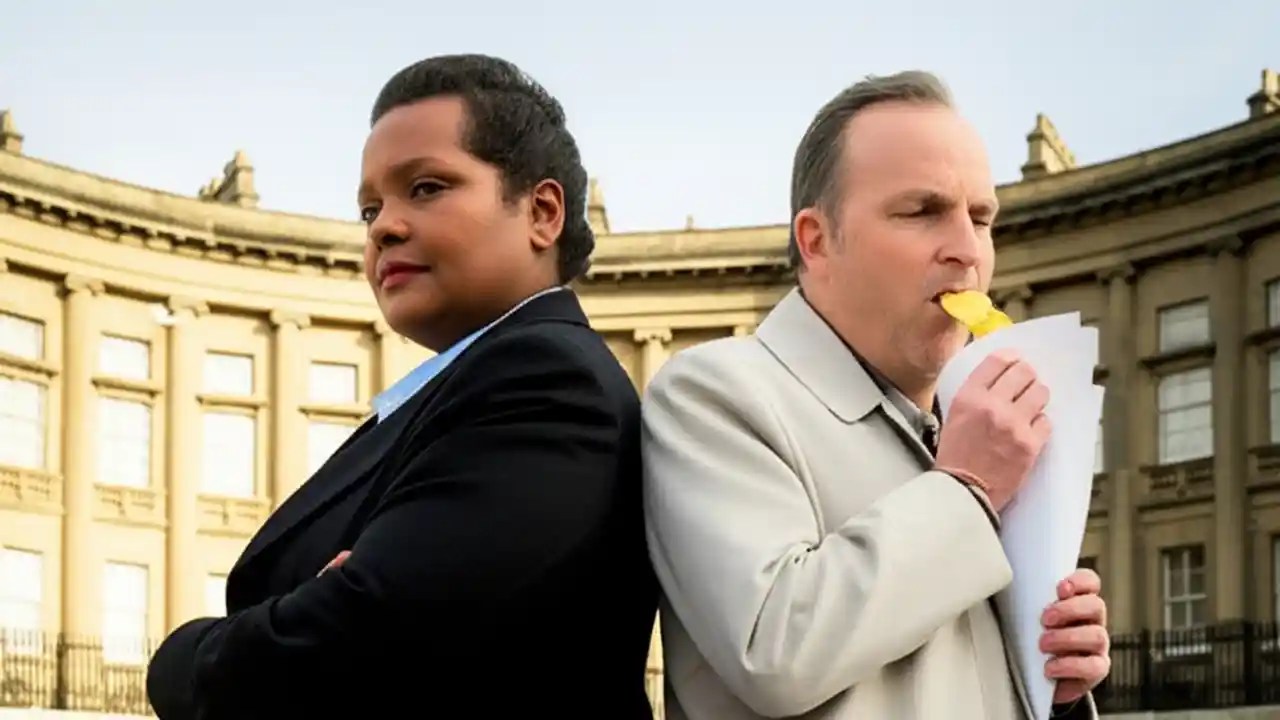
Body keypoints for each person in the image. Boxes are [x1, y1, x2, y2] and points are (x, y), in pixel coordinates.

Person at [146, 54, 658, 719]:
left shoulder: (547, 383)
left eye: (425, 187)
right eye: (368, 209)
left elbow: (347, 641)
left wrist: (183, 657)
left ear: (542, 211)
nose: (383, 227)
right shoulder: (466, 393)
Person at [640, 71, 1110, 720]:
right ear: (817, 240)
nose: (968, 252)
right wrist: (967, 487)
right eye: (923, 212)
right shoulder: (712, 394)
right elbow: (774, 652)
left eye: (981, 218)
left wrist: (1054, 681)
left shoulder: (967, 427)